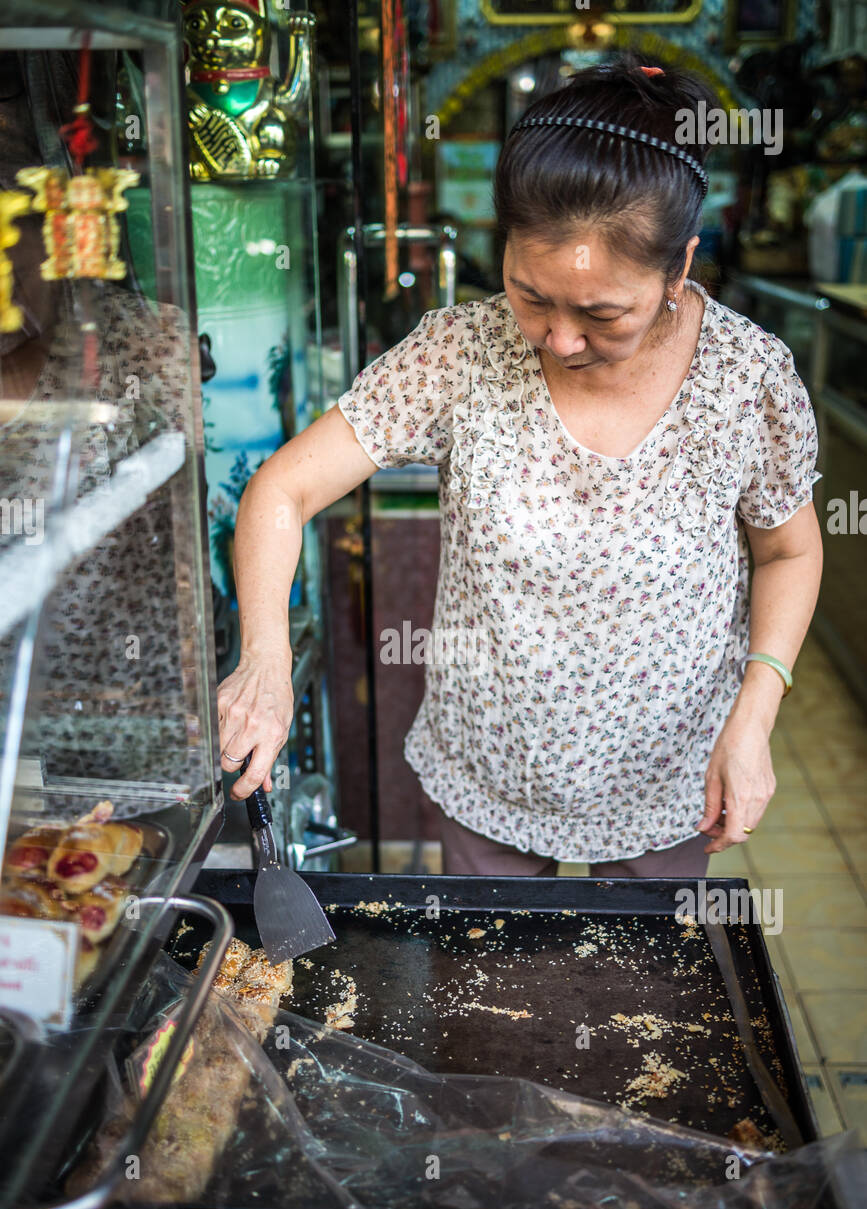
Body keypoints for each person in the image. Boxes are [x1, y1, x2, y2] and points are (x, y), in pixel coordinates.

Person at [218, 54, 822, 878]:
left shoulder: (745, 379)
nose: (561, 339)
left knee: (638, 997)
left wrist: (753, 717)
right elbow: (282, 489)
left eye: (601, 313)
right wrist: (264, 661)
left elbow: (787, 549)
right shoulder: (460, 353)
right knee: (488, 995)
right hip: (490, 762)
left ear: (678, 267)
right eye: (530, 295)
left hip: (674, 772)